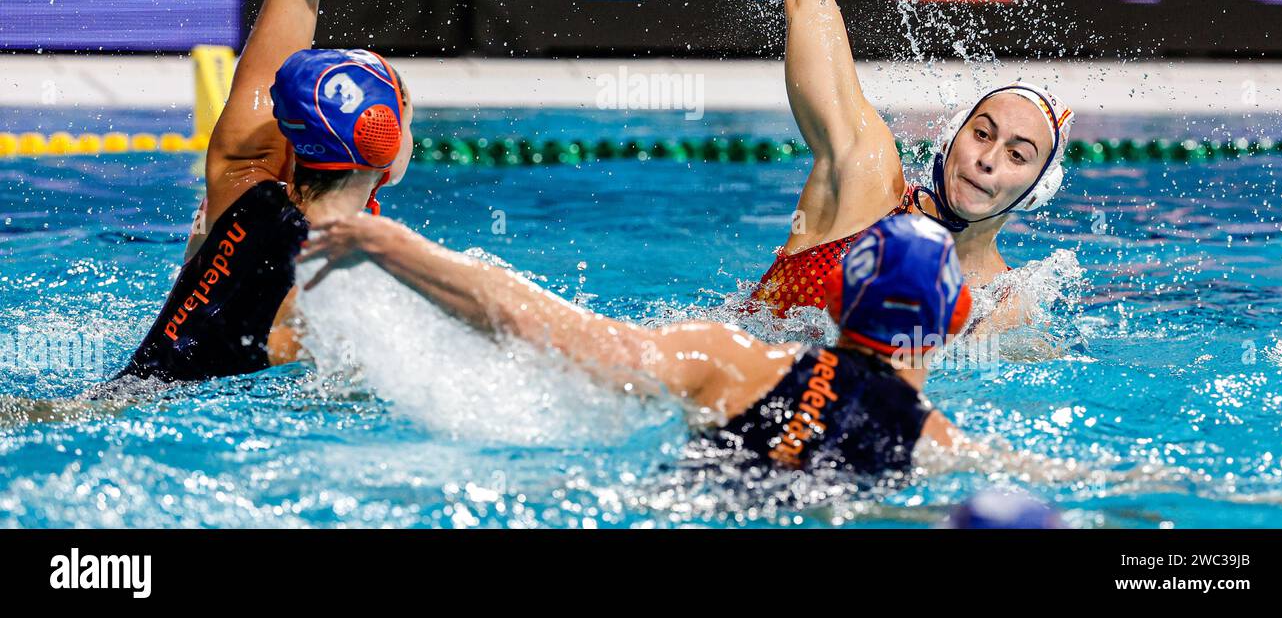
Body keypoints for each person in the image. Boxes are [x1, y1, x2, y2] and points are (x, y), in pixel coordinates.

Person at [104, 0, 531, 387]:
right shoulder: (357, 283)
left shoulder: (243, 175)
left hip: (114, 397)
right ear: (384, 146)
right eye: (408, 120)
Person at [300, 207, 980, 478]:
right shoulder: (940, 447)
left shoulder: (729, 362)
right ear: (955, 317)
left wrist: (390, 243)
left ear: (835, 301)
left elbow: (534, 324)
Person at [750, 0, 1074, 328]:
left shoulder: (1005, 310)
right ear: (951, 136)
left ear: (1037, 189)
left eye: (1019, 156)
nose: (988, 160)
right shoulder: (866, 180)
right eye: (983, 134)